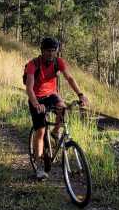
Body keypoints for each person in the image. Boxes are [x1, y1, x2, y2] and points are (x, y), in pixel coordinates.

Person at [25, 37, 88, 180]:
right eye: (48, 51)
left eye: (54, 51)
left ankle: (55, 131)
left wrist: (80, 95)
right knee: (40, 131)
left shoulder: (58, 62)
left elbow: (69, 78)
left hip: (51, 95)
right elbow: (29, 88)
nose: (51, 54)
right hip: (36, 98)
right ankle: (39, 166)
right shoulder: (33, 65)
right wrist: (36, 104)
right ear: (42, 51)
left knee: (63, 108)